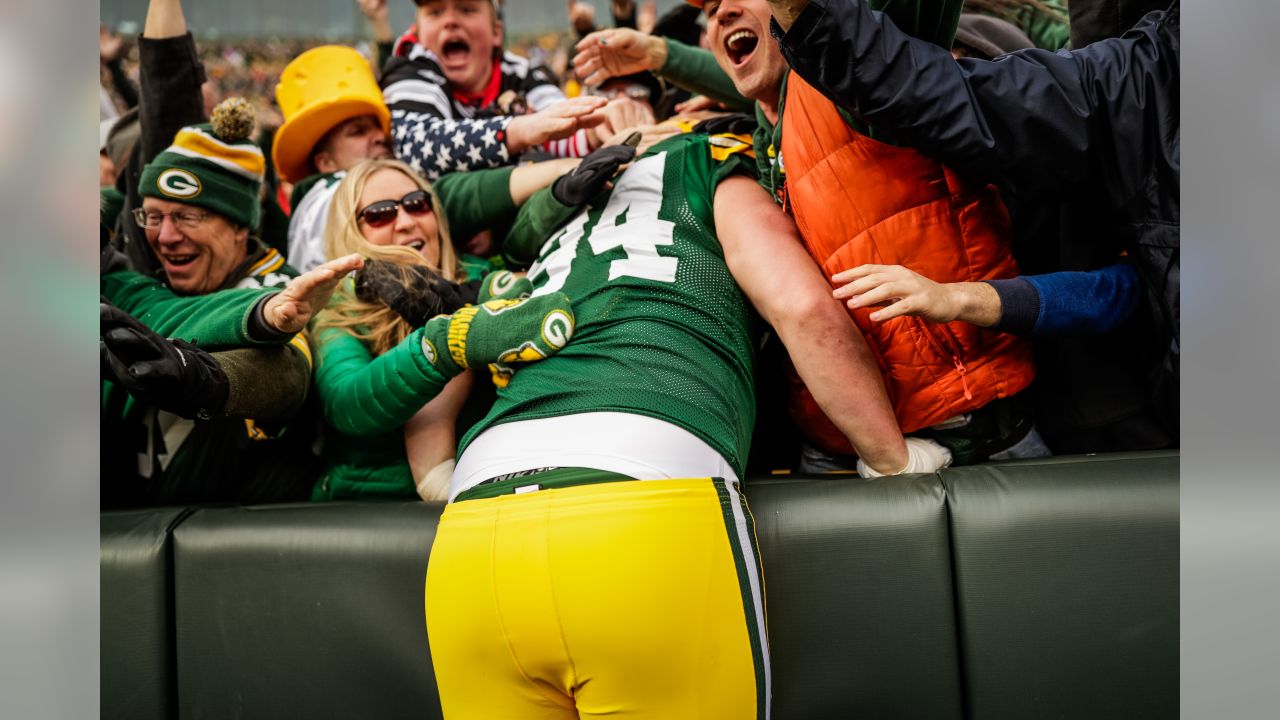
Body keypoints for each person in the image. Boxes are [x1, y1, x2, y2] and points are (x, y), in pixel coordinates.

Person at [574, 1, 1042, 468]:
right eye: (710, 8)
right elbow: (769, 75)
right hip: (832, 443)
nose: (721, 13)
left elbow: (812, 56)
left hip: (965, 432)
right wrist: (661, 56)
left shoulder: (859, 81)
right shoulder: (763, 125)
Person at [765, 0, 1180, 444]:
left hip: (1031, 417)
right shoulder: (1144, 73)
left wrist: (964, 299)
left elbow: (1118, 292)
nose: (722, 14)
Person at [309, 155, 604, 500]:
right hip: (369, 511)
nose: (405, 222)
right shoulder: (336, 309)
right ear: (350, 231)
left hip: (500, 488)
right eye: (380, 214)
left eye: (416, 204)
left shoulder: (479, 274)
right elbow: (347, 404)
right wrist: (443, 346)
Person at [380, 0, 610, 181]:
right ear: (418, 34)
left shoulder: (521, 73)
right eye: (435, 12)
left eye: (466, 9)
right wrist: (518, 130)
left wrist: (596, 127)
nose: (449, 21)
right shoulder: (408, 71)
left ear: (496, 32)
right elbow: (416, 148)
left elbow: (559, 124)